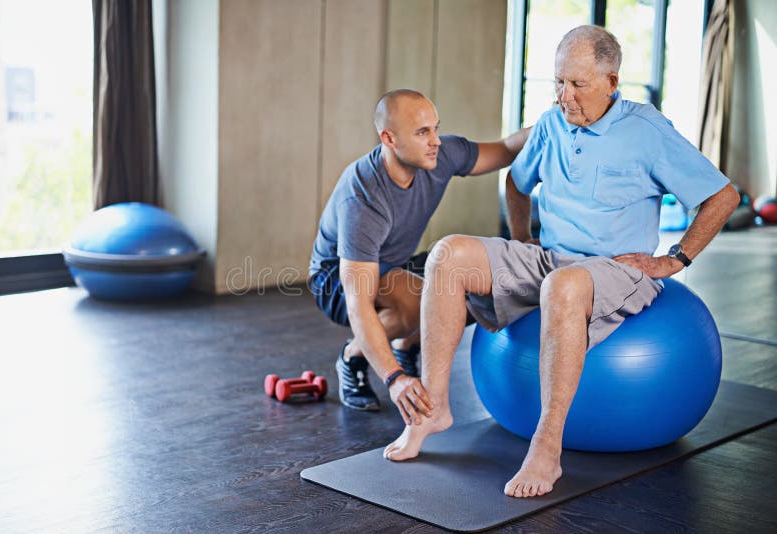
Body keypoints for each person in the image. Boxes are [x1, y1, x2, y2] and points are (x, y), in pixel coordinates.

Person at [382, 25, 740, 498]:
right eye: (558, 81)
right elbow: (517, 183)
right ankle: (433, 410)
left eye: (577, 84)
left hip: (616, 268)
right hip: (551, 259)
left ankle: (547, 447)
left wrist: (675, 259)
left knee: (563, 285)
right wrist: (522, 240)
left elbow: (722, 195)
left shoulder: (647, 130)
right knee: (448, 254)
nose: (564, 96)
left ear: (612, 82)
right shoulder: (551, 123)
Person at [308, 89, 530, 422]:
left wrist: (552, 122)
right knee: (422, 301)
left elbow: (506, 150)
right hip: (335, 279)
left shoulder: (441, 154)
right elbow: (358, 304)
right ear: (389, 138)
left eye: (436, 128)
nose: (435, 141)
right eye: (422, 132)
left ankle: (405, 344)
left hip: (395, 263)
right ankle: (352, 357)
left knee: (472, 286)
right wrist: (394, 379)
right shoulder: (363, 197)